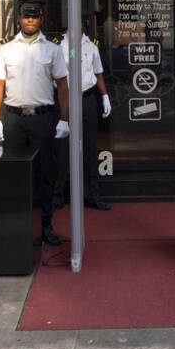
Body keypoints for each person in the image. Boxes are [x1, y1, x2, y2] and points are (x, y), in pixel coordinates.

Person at [0, 0, 71, 246]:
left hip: (42, 119)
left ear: (41, 19)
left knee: (46, 174)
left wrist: (64, 118)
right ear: (20, 19)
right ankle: (15, 228)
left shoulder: (52, 50)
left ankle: (46, 225)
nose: (30, 20)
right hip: (14, 119)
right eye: (26, 16)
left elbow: (63, 86)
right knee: (13, 175)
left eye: (34, 16)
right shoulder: (6, 49)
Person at [57, 19, 112, 211]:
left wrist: (104, 96)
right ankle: (59, 195)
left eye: (79, 24)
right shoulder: (57, 46)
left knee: (90, 147)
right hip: (65, 100)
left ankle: (92, 194)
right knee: (62, 149)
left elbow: (98, 73)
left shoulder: (91, 46)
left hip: (87, 98)